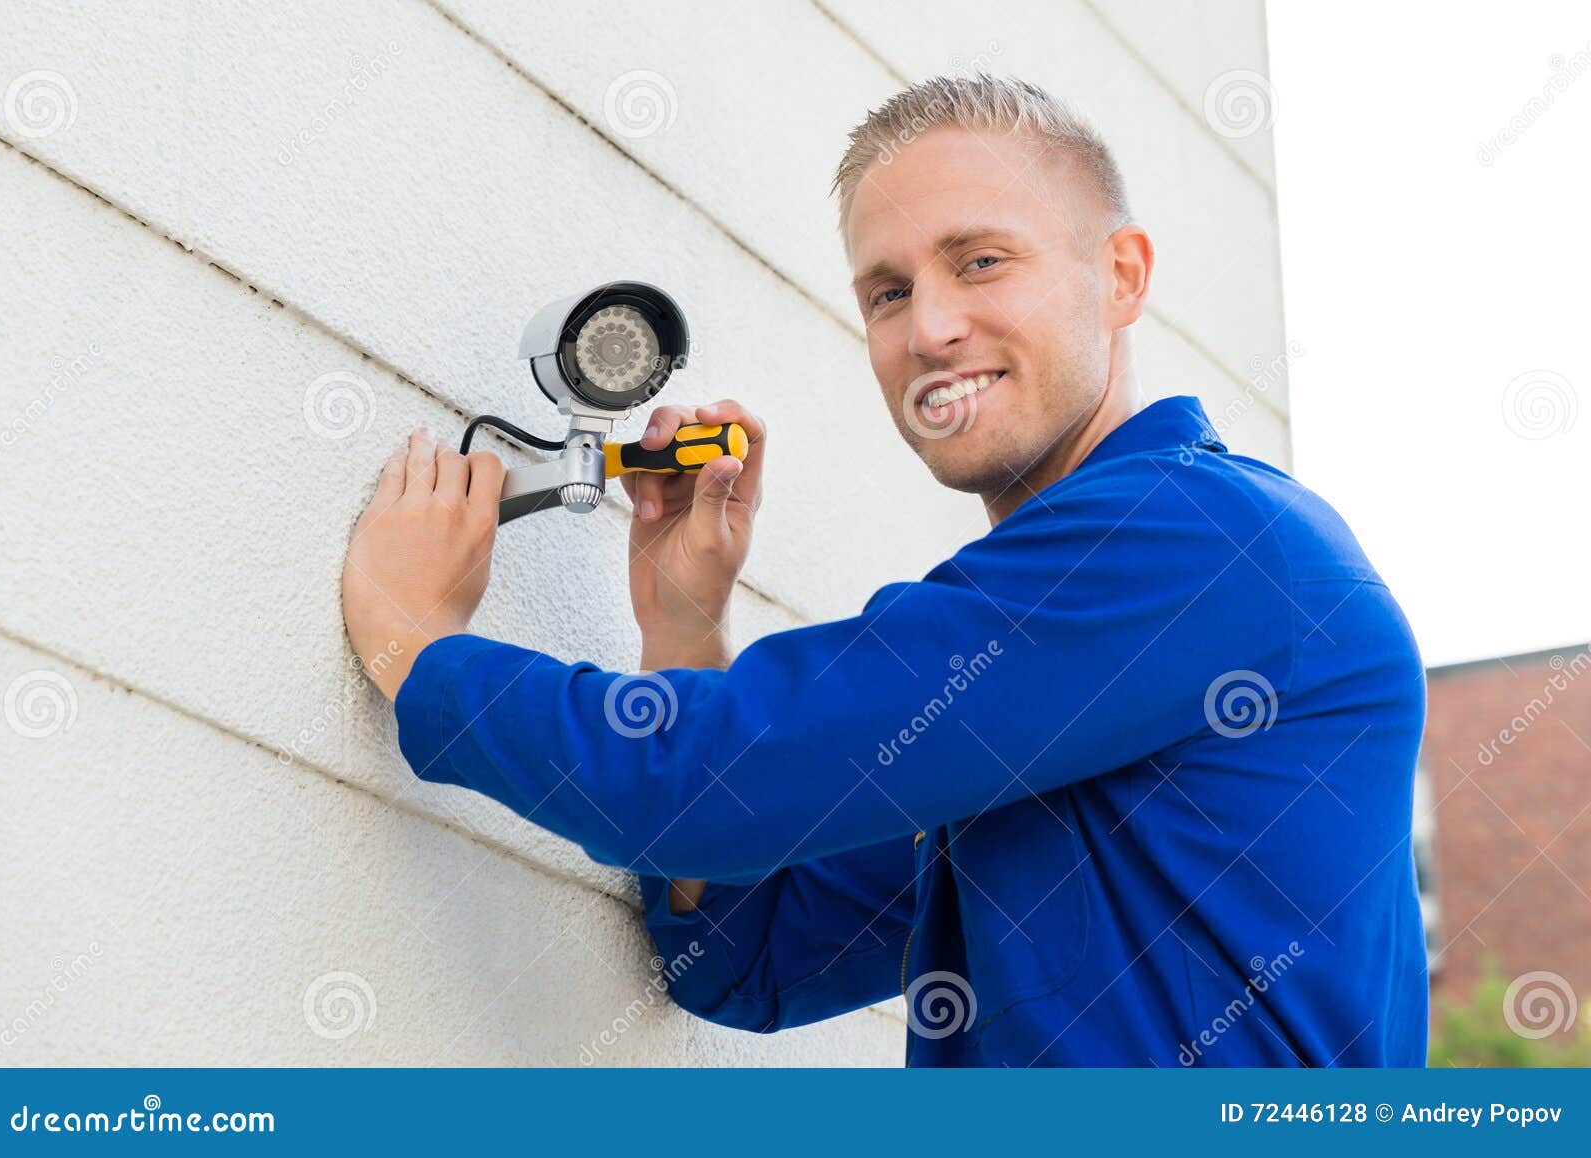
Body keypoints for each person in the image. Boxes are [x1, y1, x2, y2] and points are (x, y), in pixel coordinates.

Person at [341, 75, 1428, 1066]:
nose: (933, 327)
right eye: (888, 293)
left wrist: (414, 643)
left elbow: (692, 787)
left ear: (1120, 275)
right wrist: (684, 628)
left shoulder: (1200, 543)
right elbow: (748, 956)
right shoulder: (1059, 685)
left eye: (980, 261)